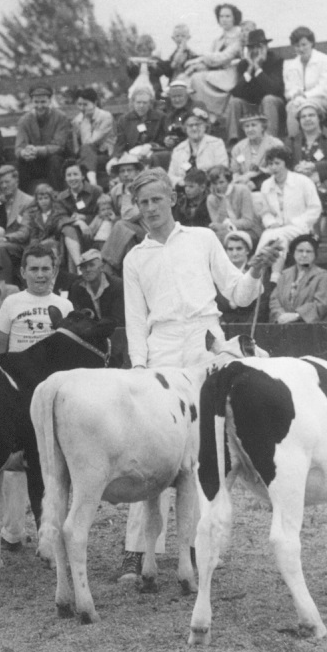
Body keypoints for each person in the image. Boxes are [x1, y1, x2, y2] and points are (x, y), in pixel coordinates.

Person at [120, 168, 280, 577]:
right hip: (162, 351)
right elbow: (135, 321)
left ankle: (198, 548)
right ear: (136, 209)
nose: (151, 208)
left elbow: (238, 293)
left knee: (208, 449)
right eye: (143, 203)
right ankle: (139, 551)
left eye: (157, 199)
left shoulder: (204, 239)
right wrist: (139, 368)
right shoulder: (134, 258)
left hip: (207, 342)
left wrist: (257, 269)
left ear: (171, 198)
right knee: (155, 450)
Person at [0, 243, 74, 547]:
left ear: (55, 271)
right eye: (34, 269)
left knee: (52, 462)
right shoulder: (12, 302)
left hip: (53, 390)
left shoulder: (64, 306)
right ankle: (13, 530)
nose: (40, 275)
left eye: (46, 269)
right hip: (17, 389)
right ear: (23, 272)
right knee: (15, 462)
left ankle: (51, 530)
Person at [254, 146, 323, 283]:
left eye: (277, 163)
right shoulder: (266, 185)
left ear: (285, 163)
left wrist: (295, 222)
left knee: (278, 235)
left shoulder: (303, 181)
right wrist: (271, 222)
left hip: (301, 228)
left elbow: (315, 208)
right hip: (277, 228)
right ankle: (258, 274)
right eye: (270, 164)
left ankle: (273, 274)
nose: (274, 167)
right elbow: (265, 211)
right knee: (268, 235)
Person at [184, 3, 245, 118]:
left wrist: (200, 56)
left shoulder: (239, 37)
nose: (224, 19)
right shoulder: (218, 39)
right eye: (221, 16)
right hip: (218, 72)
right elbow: (210, 60)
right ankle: (201, 112)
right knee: (189, 77)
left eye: (228, 16)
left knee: (197, 78)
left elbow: (222, 57)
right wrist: (196, 64)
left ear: (234, 18)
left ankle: (208, 112)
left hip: (231, 74)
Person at [226, 29, 286, 141]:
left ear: (266, 47)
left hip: (274, 105)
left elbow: (274, 89)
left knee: (268, 99)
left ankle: (269, 142)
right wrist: (249, 69)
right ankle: (234, 142)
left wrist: (258, 69)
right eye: (252, 48)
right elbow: (236, 92)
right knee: (235, 102)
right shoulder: (244, 64)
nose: (255, 51)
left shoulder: (276, 60)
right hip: (253, 106)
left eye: (258, 47)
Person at [14, 84, 71, 191]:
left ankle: (58, 197)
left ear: (50, 101)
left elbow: (59, 146)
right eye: (36, 102)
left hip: (56, 161)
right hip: (35, 163)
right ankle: (23, 201)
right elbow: (19, 147)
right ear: (31, 102)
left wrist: (37, 150)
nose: (39, 106)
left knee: (55, 161)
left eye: (43, 102)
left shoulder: (61, 117)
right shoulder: (24, 121)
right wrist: (24, 153)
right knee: (21, 164)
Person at [283, 27, 327, 137]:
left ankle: (303, 143)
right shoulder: (291, 65)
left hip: (325, 101)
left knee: (300, 107)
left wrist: (304, 96)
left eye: (304, 44)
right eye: (297, 46)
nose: (301, 49)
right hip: (298, 101)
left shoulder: (323, 60)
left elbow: (324, 88)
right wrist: (297, 96)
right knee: (293, 106)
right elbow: (289, 90)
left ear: (311, 43)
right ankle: (295, 144)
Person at [287, 100, 327, 199]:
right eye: (303, 117)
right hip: (298, 184)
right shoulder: (292, 140)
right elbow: (287, 164)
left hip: (325, 183)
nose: (307, 119)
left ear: (319, 118)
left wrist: (314, 167)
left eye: (311, 115)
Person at [269, 235, 327, 323]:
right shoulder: (284, 275)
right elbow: (274, 299)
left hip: (312, 328)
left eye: (309, 251)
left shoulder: (323, 276)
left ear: (315, 255)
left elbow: (322, 304)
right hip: (284, 324)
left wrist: (297, 315)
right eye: (300, 251)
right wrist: (281, 314)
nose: (304, 255)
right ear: (294, 253)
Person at [167, 108, 229, 185]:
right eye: (190, 125)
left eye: (198, 124)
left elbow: (222, 169)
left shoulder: (216, 144)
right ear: (185, 128)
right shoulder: (178, 149)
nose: (194, 128)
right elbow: (170, 176)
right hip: (185, 189)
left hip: (210, 188)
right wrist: (182, 182)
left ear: (205, 126)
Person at [113, 85, 169, 168]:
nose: (141, 106)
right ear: (133, 102)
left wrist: (151, 146)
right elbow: (120, 144)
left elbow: (163, 140)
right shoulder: (124, 120)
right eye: (138, 102)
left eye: (145, 103)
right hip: (131, 156)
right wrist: (116, 158)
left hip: (153, 154)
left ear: (150, 103)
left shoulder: (160, 117)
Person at [206, 164, 261, 243]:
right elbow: (217, 224)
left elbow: (248, 221)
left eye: (221, 182)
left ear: (228, 181)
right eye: (215, 183)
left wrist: (226, 226)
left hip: (250, 230)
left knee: (224, 238)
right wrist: (221, 200)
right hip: (226, 232)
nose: (218, 186)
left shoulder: (242, 190)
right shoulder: (211, 199)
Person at [228, 112, 284, 189]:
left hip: (271, 184)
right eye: (246, 126)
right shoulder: (238, 148)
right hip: (245, 185)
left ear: (263, 127)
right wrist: (242, 181)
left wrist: (253, 174)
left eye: (254, 125)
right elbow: (235, 171)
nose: (250, 129)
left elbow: (279, 168)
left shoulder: (275, 144)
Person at [66, 249, 124, 323]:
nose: (87, 269)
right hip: (88, 331)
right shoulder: (76, 287)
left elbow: (119, 317)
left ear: (102, 267)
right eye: (83, 267)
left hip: (115, 331)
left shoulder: (117, 285)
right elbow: (75, 316)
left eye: (91, 265)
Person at [72, 88, 115, 182]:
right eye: (79, 104)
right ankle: (92, 181)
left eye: (85, 104)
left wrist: (86, 121)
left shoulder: (105, 117)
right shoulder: (77, 120)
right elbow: (77, 147)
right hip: (86, 153)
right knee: (82, 158)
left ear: (95, 103)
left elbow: (90, 142)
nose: (82, 108)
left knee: (86, 152)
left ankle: (92, 181)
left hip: (104, 152)